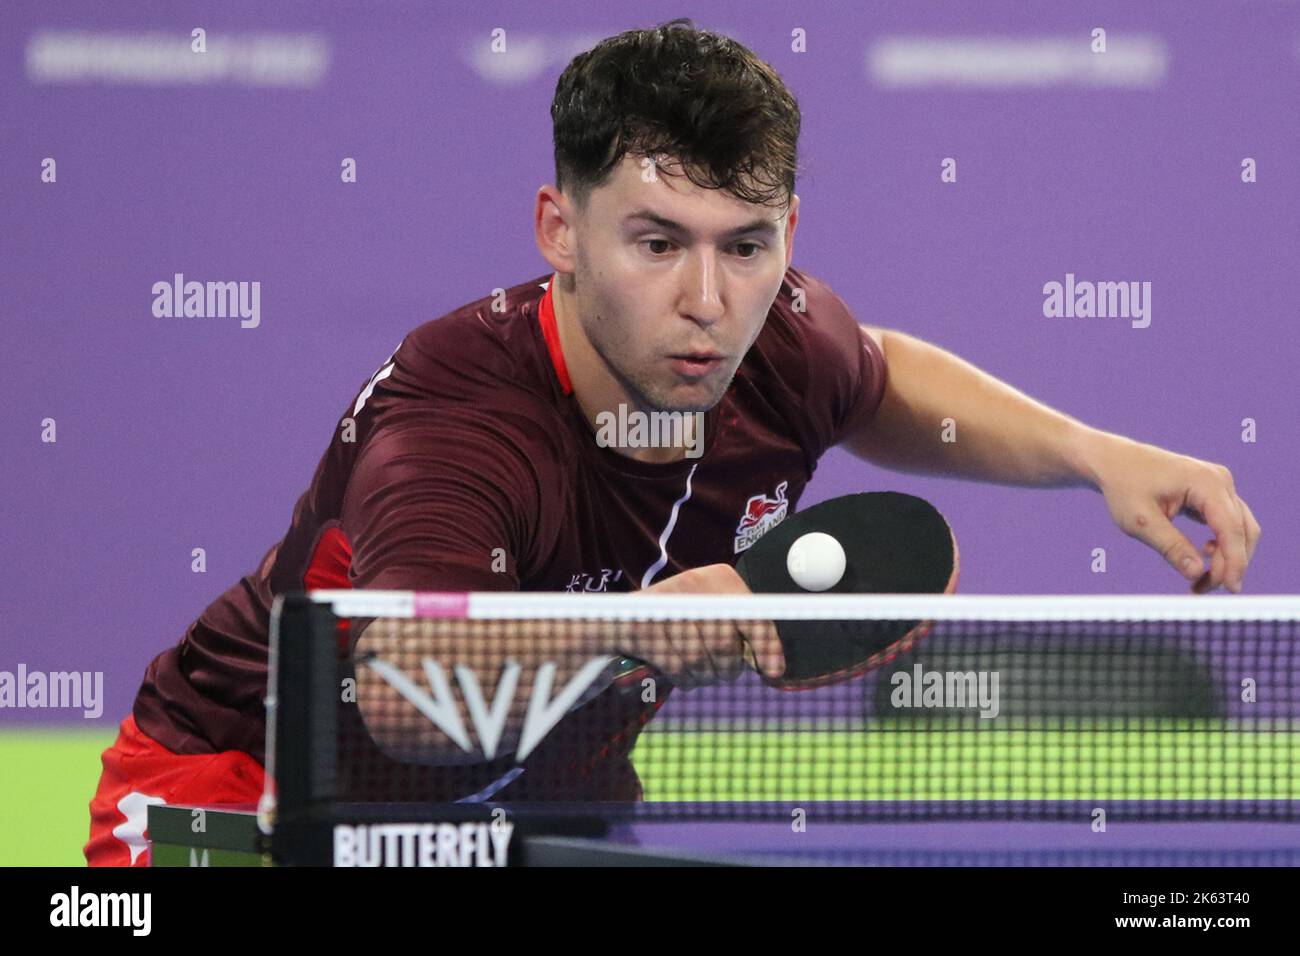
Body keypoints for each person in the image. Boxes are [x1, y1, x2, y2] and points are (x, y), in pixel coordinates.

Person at [86, 18, 1259, 866]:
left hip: (545, 800)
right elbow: (398, 688)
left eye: (746, 245)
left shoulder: (782, 337)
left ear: (787, 232)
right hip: (255, 792)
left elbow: (884, 377)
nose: (709, 298)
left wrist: (1091, 451)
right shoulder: (458, 423)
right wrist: (635, 625)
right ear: (561, 229)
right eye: (657, 243)